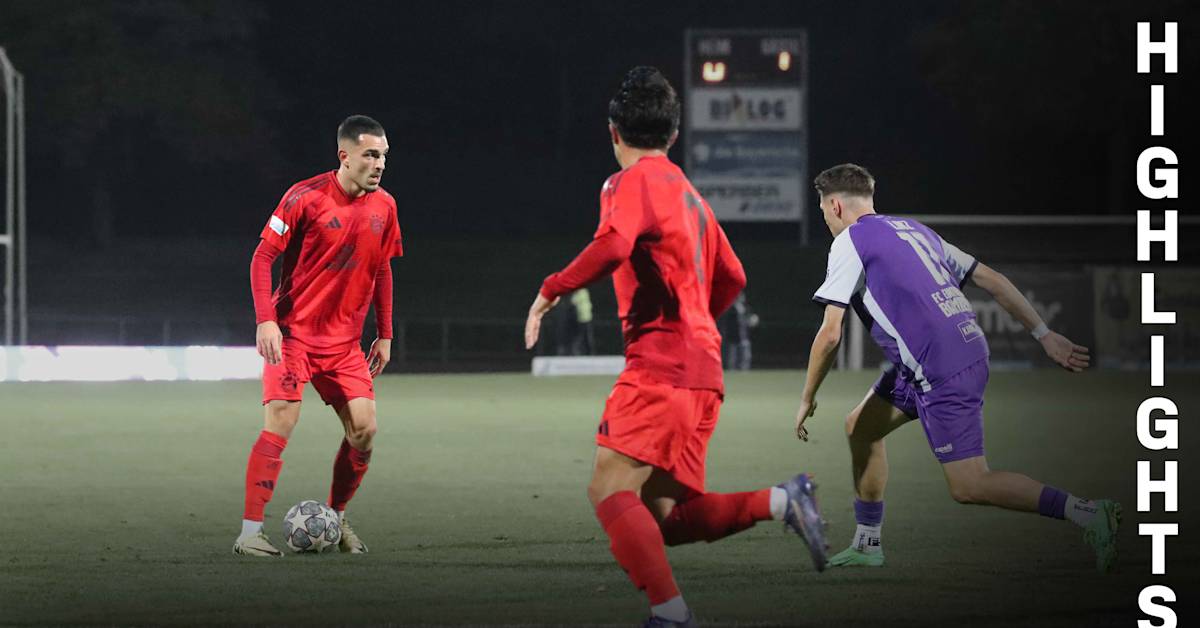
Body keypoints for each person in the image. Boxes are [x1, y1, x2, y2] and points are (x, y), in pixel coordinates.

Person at [524, 67, 826, 627]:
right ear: (674, 135)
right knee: (664, 516)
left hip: (661, 366)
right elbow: (734, 276)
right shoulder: (689, 193)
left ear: (614, 131)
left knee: (609, 487)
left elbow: (614, 243)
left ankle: (671, 614)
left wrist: (551, 290)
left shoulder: (627, 183)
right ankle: (785, 500)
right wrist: (697, 324)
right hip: (703, 371)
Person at [795, 163, 1119, 572]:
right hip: (952, 354)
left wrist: (807, 397)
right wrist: (1044, 334)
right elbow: (993, 278)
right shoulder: (916, 230)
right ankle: (867, 543)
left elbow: (830, 334)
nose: (825, 217)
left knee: (969, 485)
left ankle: (1088, 512)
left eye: (823, 209)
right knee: (861, 427)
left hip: (940, 367)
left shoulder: (848, 241)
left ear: (835, 204)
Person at [233, 115, 404, 557]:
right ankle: (250, 532)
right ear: (344, 156)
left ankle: (336, 516)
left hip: (344, 345)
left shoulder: (385, 206)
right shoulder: (304, 197)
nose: (380, 163)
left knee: (364, 429)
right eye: (370, 154)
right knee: (282, 420)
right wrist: (265, 318)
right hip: (292, 336)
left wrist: (385, 333)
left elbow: (383, 268)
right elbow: (261, 258)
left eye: (383, 154)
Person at [570, 288, 596, 355]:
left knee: (587, 336)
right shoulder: (579, 293)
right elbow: (573, 303)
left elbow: (573, 302)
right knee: (581, 336)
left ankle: (589, 351)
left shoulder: (583, 292)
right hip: (581, 319)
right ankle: (581, 351)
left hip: (586, 318)